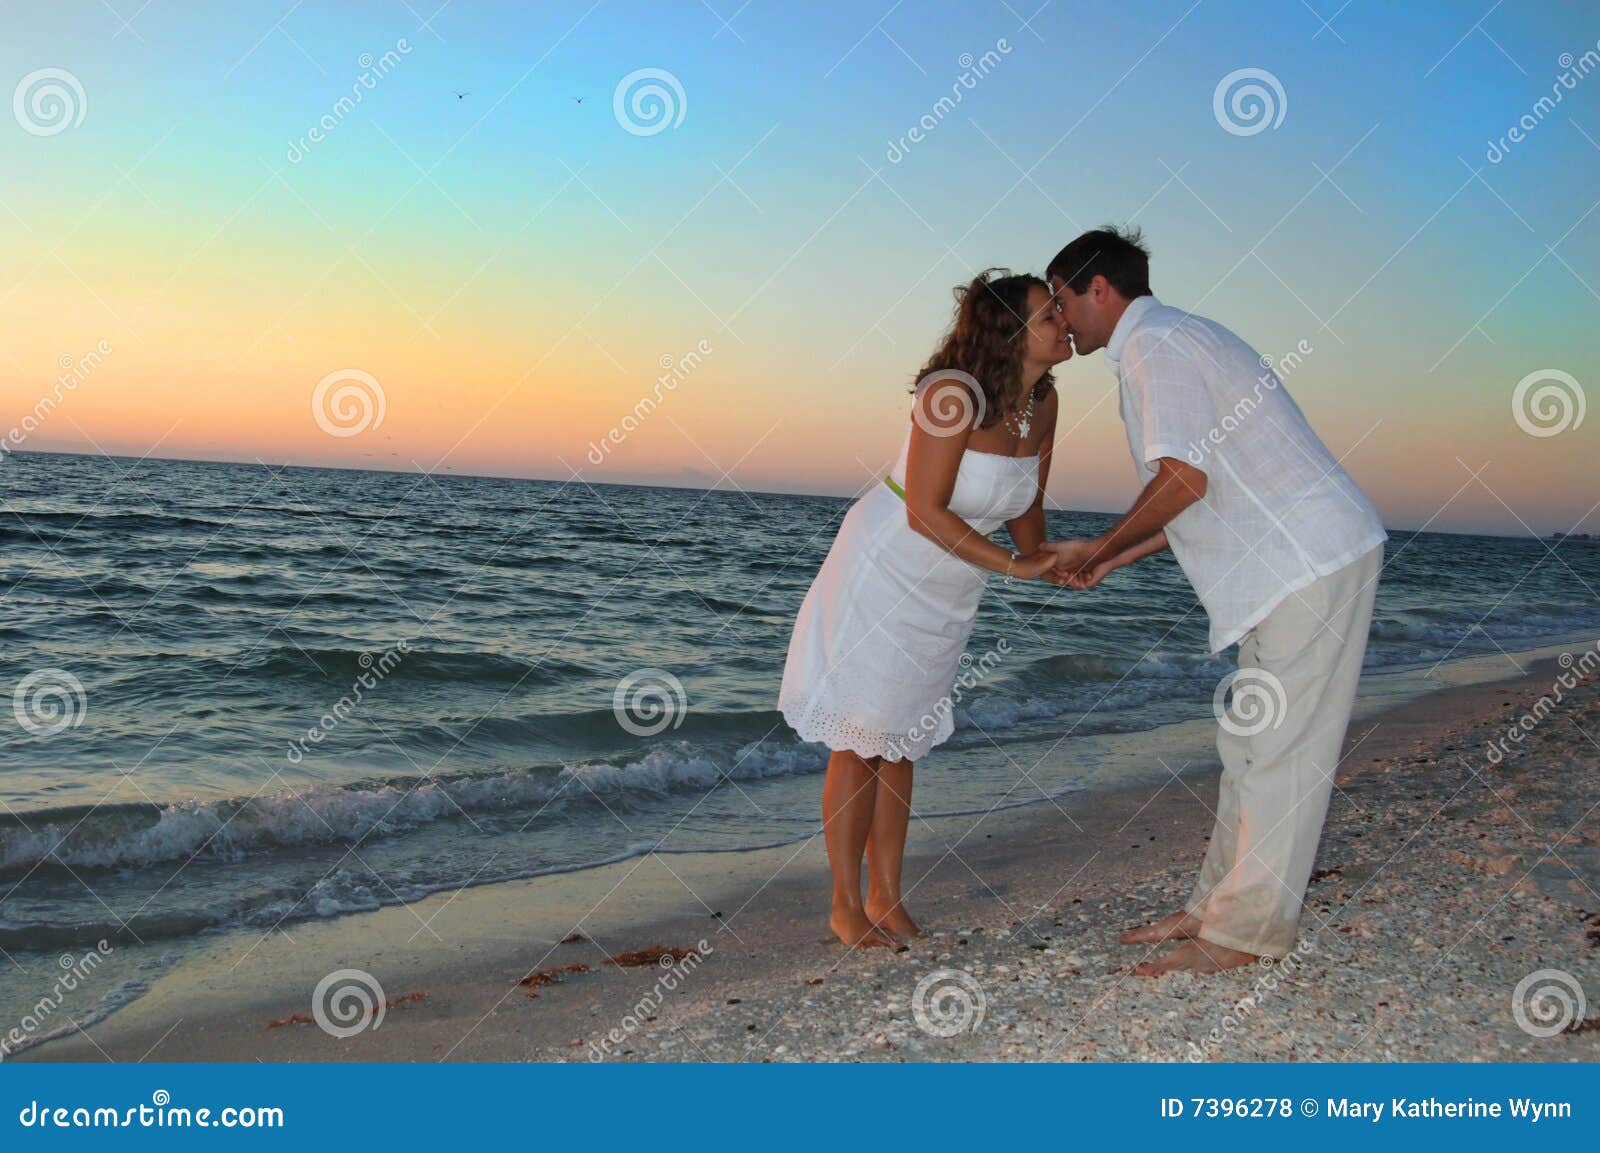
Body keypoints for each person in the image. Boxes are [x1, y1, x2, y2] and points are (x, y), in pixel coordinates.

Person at [1043, 227, 1387, 975]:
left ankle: (1243, 934)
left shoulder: (1152, 347)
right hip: (1288, 564)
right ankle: (1213, 905)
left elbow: (1183, 482)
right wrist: (1112, 562)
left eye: (1063, 300)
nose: (1060, 319)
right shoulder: (1170, 337)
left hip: (1310, 558)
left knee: (1280, 753)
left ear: (1098, 288)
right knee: (1248, 744)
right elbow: (1202, 495)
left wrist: (1096, 548)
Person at [779, 270, 1074, 948]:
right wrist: (1012, 564)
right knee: (860, 736)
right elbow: (922, 510)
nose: (1063, 323)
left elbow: (1025, 504)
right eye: (1048, 314)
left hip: (950, 585)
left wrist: (1057, 563)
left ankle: (887, 896)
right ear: (1008, 329)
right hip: (885, 568)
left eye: (1061, 311)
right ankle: (844, 905)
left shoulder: (1045, 402)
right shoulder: (950, 394)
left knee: (903, 737)